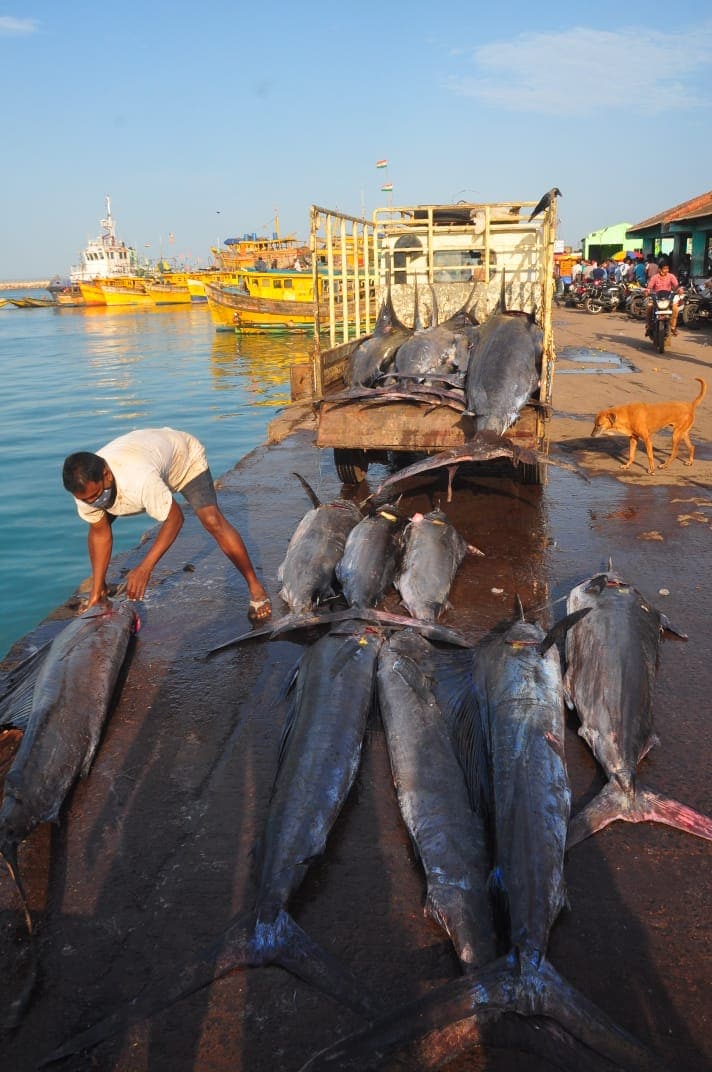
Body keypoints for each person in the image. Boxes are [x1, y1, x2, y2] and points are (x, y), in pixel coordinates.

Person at [62, 427, 272, 621]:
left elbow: (175, 519)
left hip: (184, 459)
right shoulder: (84, 491)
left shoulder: (139, 479)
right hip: (151, 456)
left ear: (106, 475)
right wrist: (96, 590)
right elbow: (100, 533)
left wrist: (145, 568)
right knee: (98, 524)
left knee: (212, 520)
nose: (94, 502)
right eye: (87, 500)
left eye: (97, 495)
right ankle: (100, 591)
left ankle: (255, 586)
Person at [644, 261, 684, 337]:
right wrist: (647, 291)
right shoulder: (655, 277)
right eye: (664, 269)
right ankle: (648, 326)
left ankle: (673, 327)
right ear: (659, 269)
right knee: (649, 307)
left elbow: (676, 285)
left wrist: (679, 289)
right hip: (656, 298)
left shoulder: (671, 276)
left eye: (667, 268)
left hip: (668, 299)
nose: (666, 270)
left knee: (675, 309)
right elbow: (649, 287)